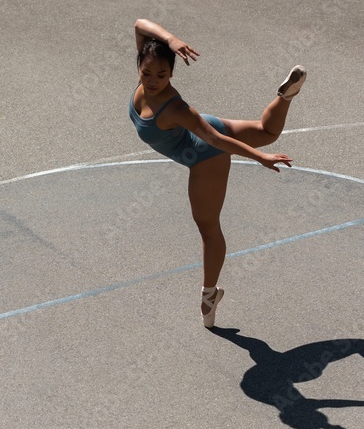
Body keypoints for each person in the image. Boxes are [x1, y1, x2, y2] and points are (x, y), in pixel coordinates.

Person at [129, 18, 306, 328]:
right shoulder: (146, 74)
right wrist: (171, 41)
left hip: (205, 155)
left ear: (172, 73)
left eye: (162, 74)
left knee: (209, 230)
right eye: (147, 73)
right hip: (206, 131)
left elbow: (214, 139)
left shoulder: (175, 108)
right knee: (266, 131)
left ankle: (209, 295)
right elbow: (140, 24)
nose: (153, 80)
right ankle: (285, 96)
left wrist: (258, 158)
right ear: (139, 65)